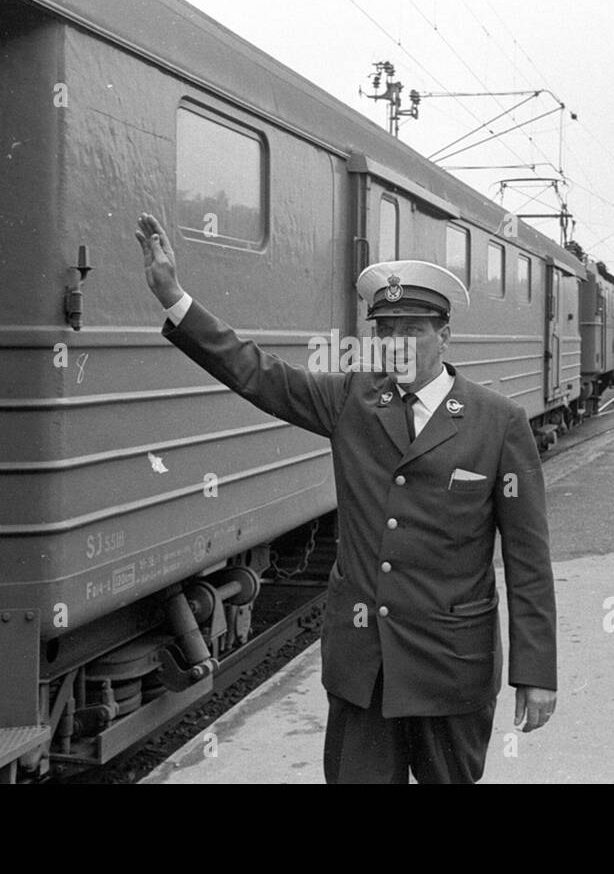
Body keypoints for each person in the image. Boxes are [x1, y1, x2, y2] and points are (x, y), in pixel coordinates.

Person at [135, 212, 557, 784]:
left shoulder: (498, 422)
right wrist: (176, 299)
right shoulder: (352, 401)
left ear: (444, 335)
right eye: (385, 331)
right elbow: (258, 374)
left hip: (450, 668)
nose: (396, 343)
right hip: (365, 670)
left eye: (412, 329)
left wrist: (536, 671)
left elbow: (529, 562)